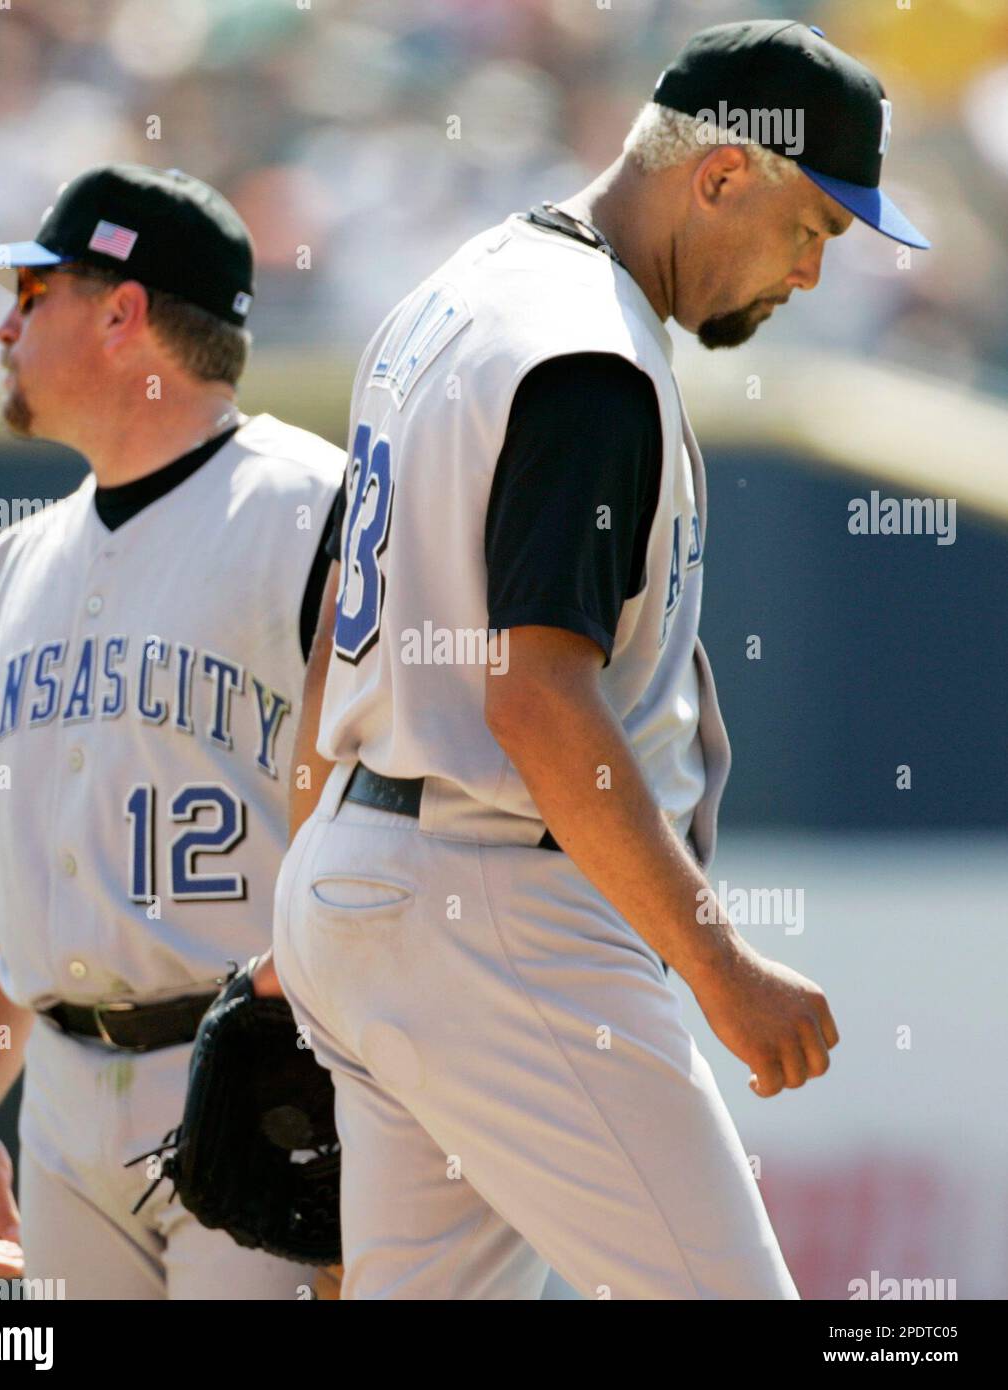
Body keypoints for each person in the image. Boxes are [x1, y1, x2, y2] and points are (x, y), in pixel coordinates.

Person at [256, 21, 930, 1299]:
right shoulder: (590, 357)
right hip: (497, 899)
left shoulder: (453, 292)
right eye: (813, 227)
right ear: (722, 174)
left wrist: (311, 913)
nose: (810, 270)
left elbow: (332, 633)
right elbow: (537, 703)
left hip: (368, 870)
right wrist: (719, 970)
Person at [0, 163, 344, 1300]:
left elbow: (392, 829)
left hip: (254, 1081)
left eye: (33, 291)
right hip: (63, 1104)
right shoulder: (17, 562)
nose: (7, 323)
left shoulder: (317, 511)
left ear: (121, 311)